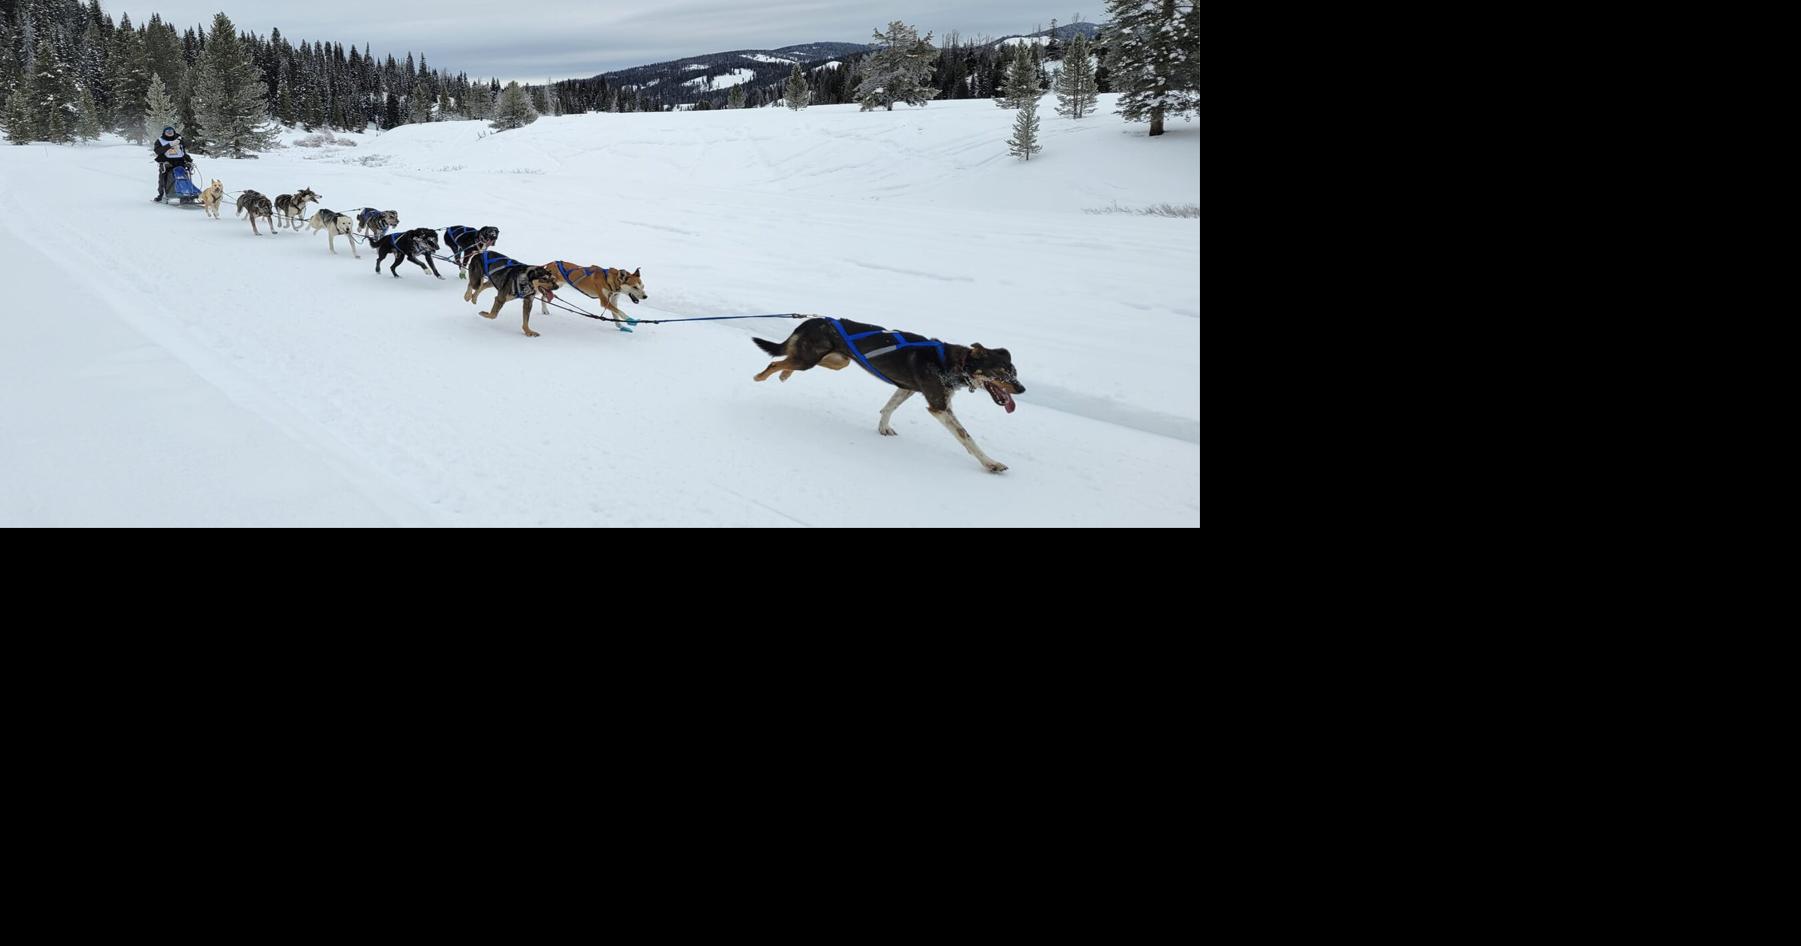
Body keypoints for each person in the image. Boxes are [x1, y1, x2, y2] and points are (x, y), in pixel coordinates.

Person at [153, 127, 186, 202]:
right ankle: (162, 195)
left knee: (183, 177)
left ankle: (185, 194)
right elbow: (158, 151)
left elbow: (183, 151)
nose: (169, 133)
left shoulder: (179, 140)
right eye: (168, 132)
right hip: (166, 162)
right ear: (164, 132)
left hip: (179, 161)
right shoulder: (160, 141)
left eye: (171, 131)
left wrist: (188, 161)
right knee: (163, 178)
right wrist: (169, 145)